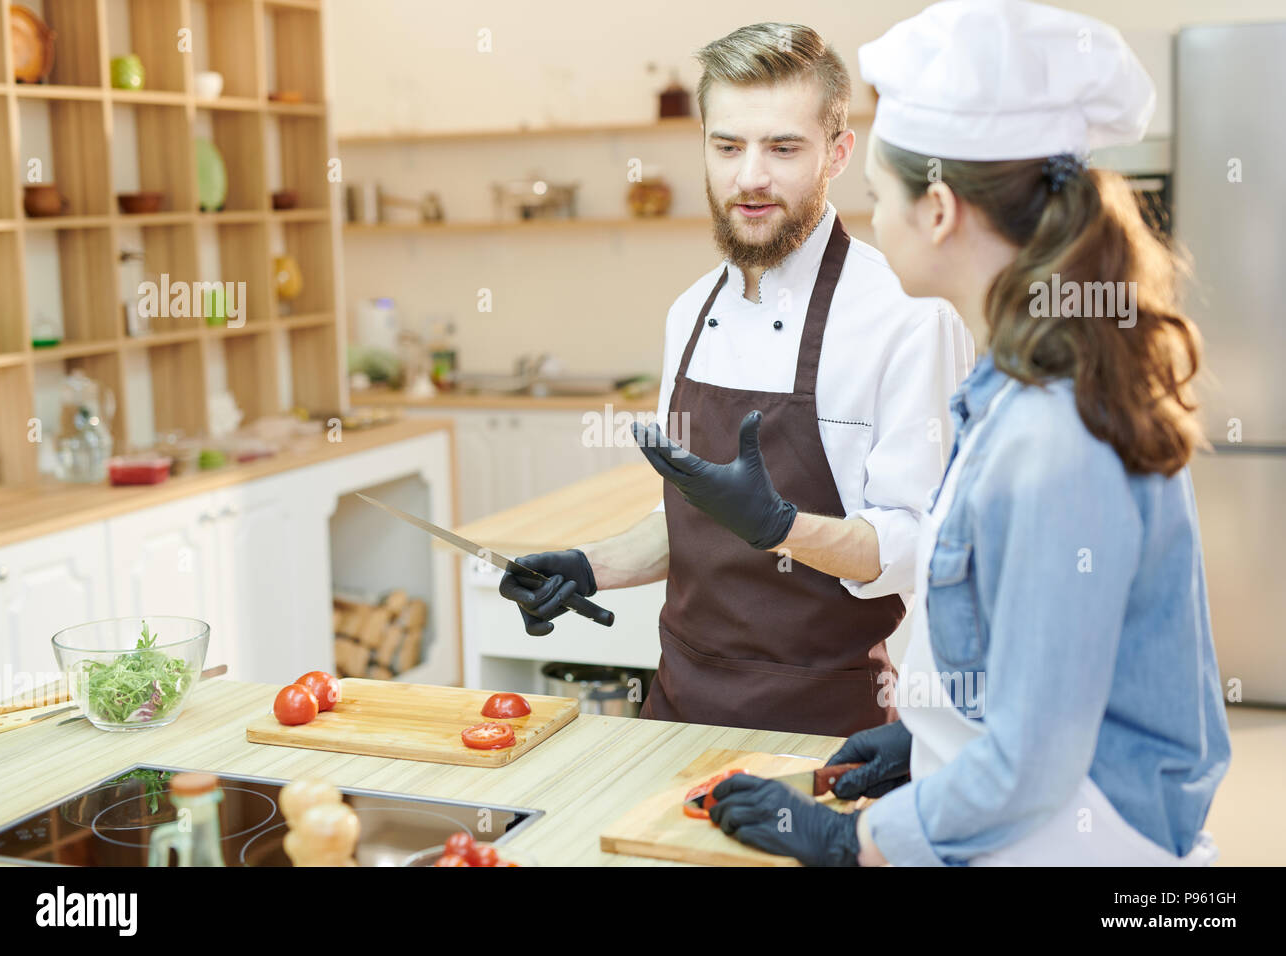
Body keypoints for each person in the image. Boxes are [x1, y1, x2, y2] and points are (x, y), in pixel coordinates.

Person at [703, 0, 1231, 865]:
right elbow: (1041, 669)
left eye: (880, 196)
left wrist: (848, 840)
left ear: (940, 209)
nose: (874, 221)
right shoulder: (1015, 394)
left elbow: (1031, 766)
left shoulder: (1055, 437)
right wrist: (926, 740)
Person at [499, 22, 972, 737]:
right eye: (727, 146)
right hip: (676, 712)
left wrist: (782, 528)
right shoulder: (689, 313)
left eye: (783, 147)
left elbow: (921, 544)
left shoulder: (906, 316)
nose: (750, 177)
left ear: (838, 153)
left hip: (822, 727)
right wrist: (589, 567)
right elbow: (699, 522)